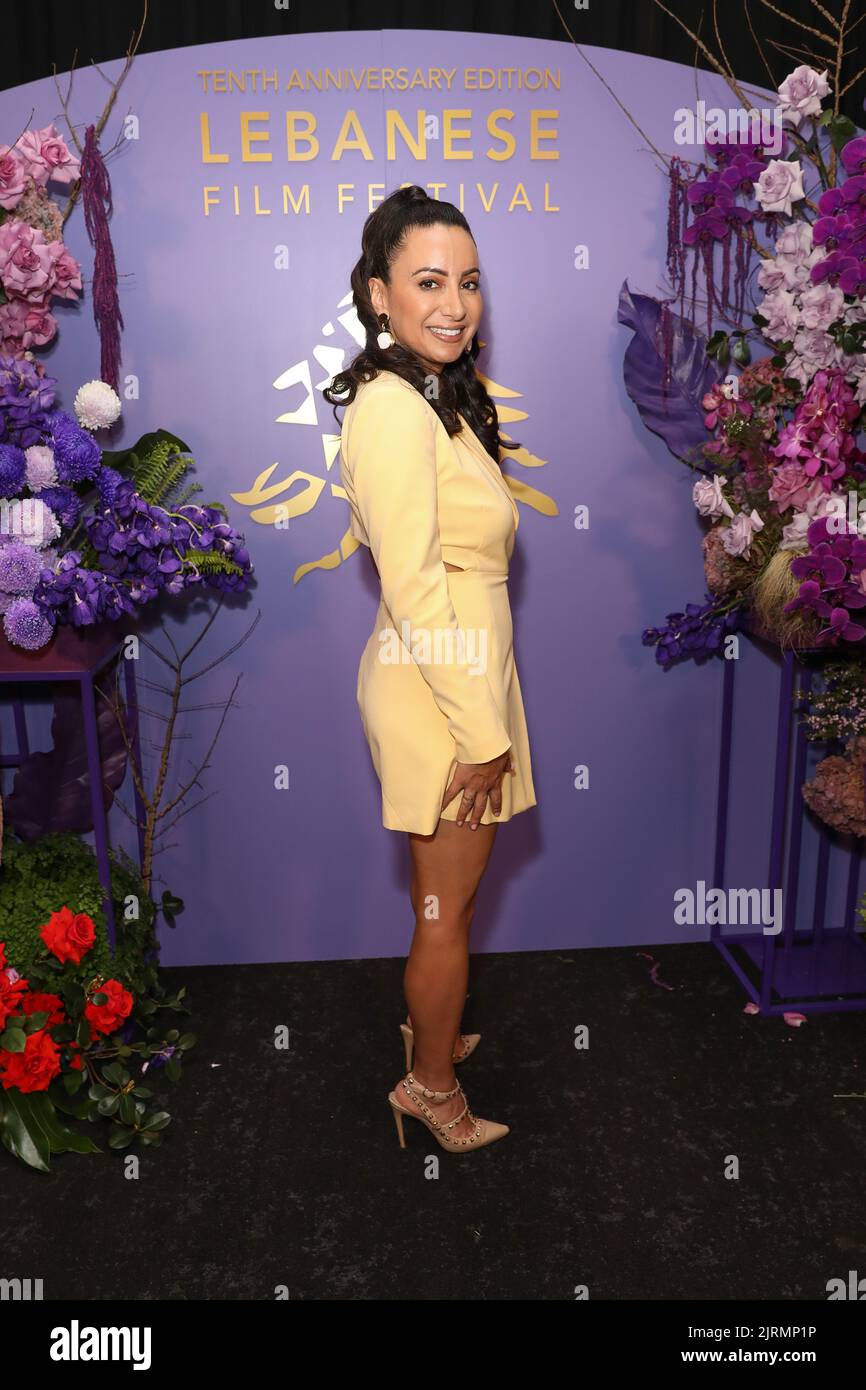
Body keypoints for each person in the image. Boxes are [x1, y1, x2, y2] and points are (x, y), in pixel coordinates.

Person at [325, 185, 537, 1154]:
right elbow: (414, 593)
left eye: (467, 282)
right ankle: (428, 1085)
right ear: (379, 295)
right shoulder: (388, 409)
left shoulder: (433, 397)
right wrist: (480, 733)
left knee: (450, 903)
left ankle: (434, 1027)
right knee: (444, 912)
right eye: (425, 282)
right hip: (439, 690)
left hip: (462, 677)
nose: (452, 303)